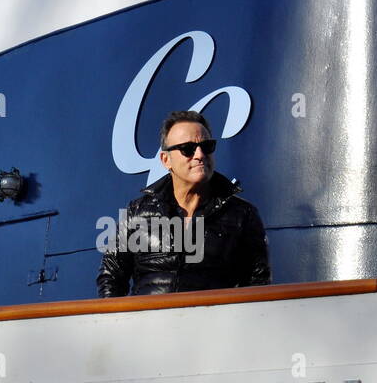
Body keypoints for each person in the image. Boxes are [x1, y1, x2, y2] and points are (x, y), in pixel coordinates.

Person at [97, 110, 270, 296]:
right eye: (187, 149)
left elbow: (257, 283)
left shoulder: (242, 215)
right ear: (166, 160)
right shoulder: (136, 212)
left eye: (207, 146)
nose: (199, 155)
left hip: (213, 322)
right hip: (148, 323)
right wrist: (121, 323)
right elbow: (111, 276)